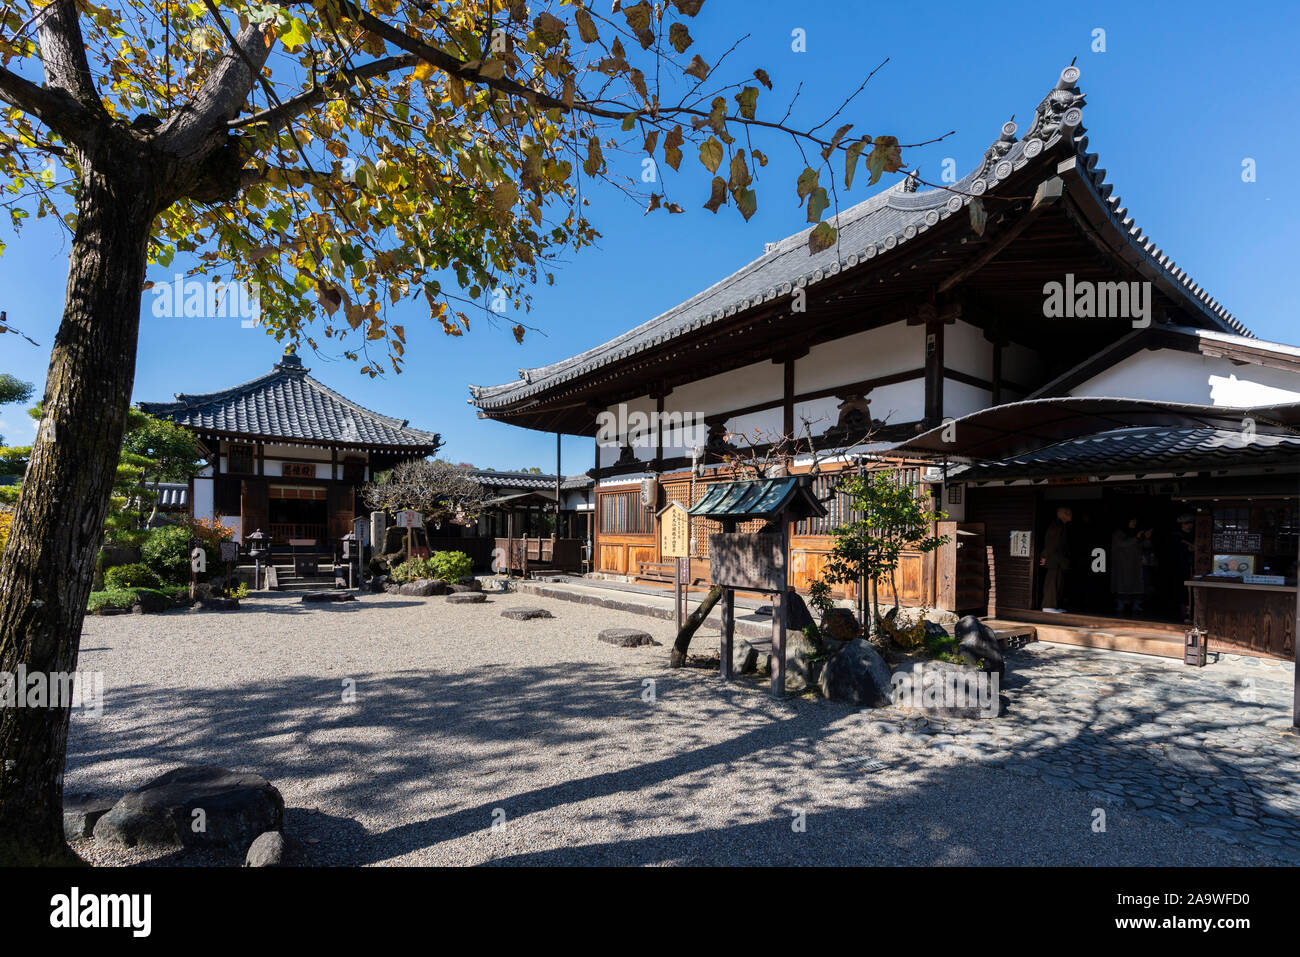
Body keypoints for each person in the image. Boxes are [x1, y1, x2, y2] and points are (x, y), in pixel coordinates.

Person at [1110, 517, 1149, 616]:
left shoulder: (1136, 532)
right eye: (1132, 521)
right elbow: (1122, 544)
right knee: (1122, 584)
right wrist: (1136, 538)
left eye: (1135, 521)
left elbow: (1143, 545)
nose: (1134, 523)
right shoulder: (1119, 533)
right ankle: (1120, 605)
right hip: (1123, 564)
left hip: (1135, 564)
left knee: (1136, 584)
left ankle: (1136, 605)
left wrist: (1145, 538)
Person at [1039, 506, 1072, 612]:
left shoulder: (1061, 526)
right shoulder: (1057, 526)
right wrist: (1044, 556)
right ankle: (1048, 606)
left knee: (1057, 582)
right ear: (1063, 514)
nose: (1071, 515)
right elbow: (1051, 543)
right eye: (1069, 513)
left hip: (1058, 559)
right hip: (1054, 559)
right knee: (1052, 582)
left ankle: (1055, 606)